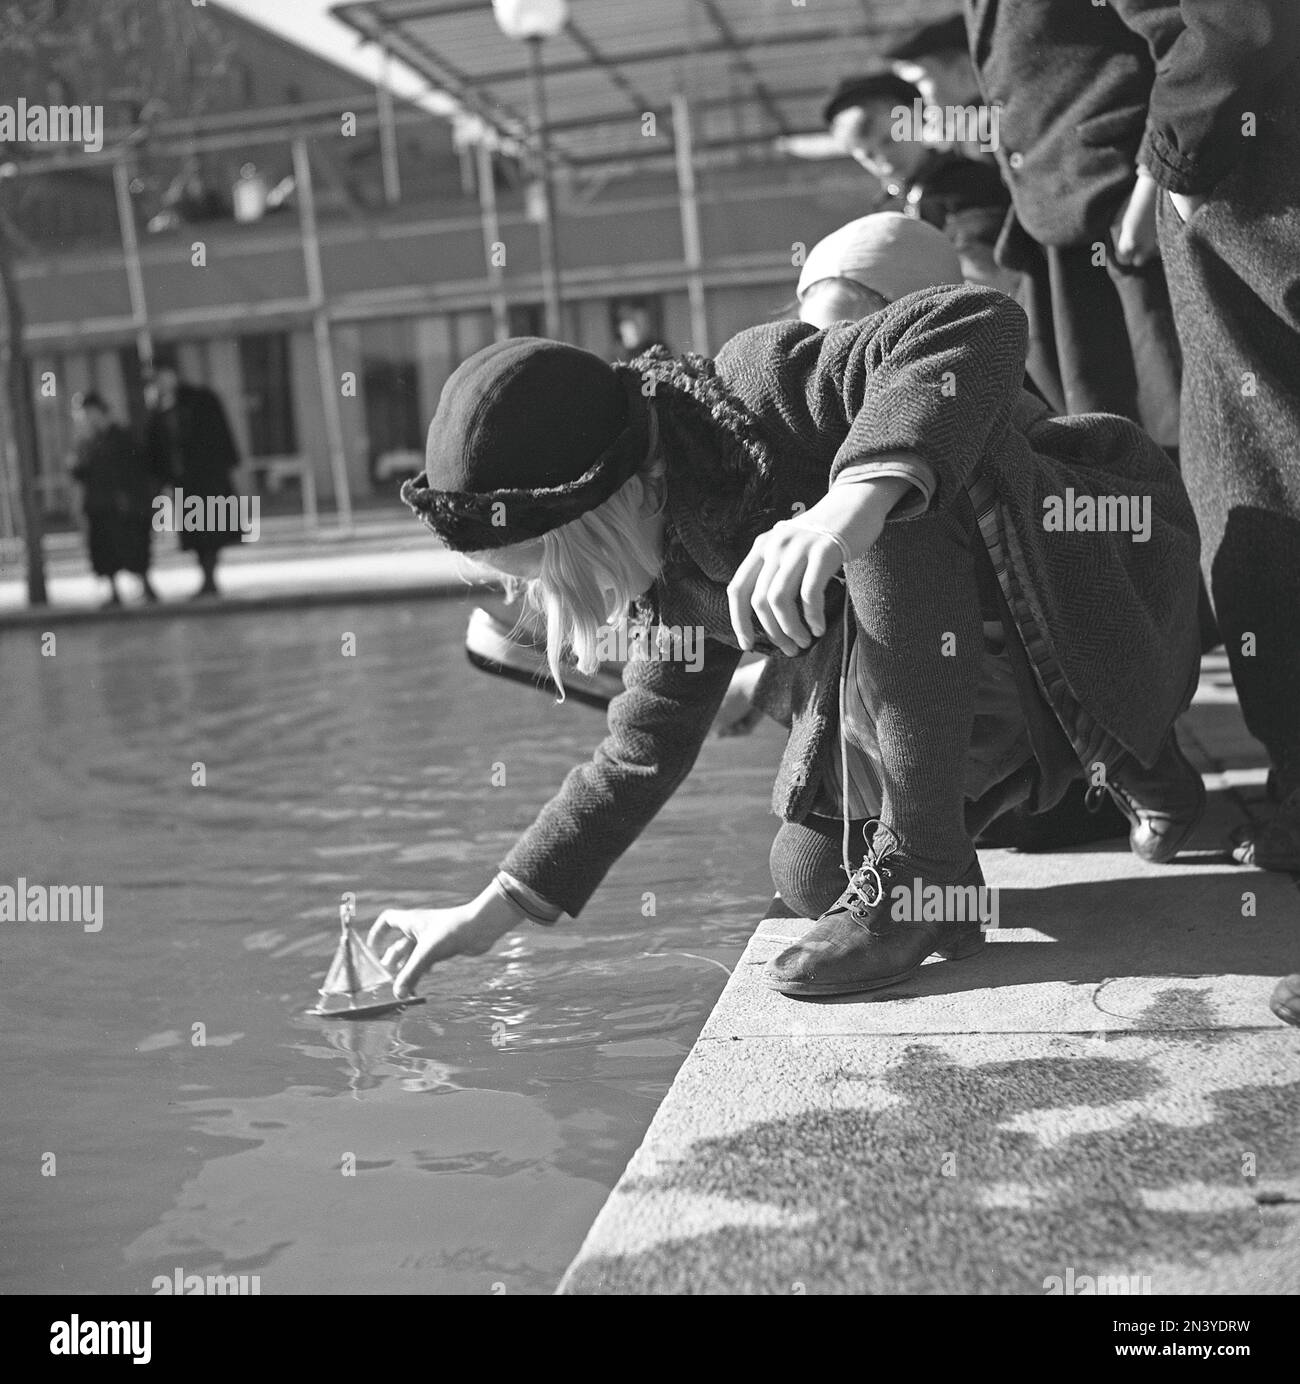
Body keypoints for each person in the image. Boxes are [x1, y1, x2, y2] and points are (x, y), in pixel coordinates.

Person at [374, 281, 1205, 1002]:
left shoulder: (758, 388)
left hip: (1099, 586)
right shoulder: (672, 578)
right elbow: (637, 754)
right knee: (808, 874)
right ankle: (955, 875)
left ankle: (935, 856)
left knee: (890, 519)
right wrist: (487, 914)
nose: (551, 601)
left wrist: (851, 503)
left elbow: (976, 318)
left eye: (547, 573)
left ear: (607, 509)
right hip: (988, 673)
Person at [1144, 1, 1300, 870]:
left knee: (1258, 466)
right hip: (1235, 136)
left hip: (1249, 149)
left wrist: (1179, 148)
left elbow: (1241, 17)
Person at [821, 71, 1011, 292]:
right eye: (868, 156)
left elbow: (983, 258)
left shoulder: (969, 179)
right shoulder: (886, 208)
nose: (885, 161)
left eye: (890, 140)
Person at [144, 361, 243, 599]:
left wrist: (223, 465)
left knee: (212, 528)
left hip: (208, 478)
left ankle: (210, 577)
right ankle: (206, 577)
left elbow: (218, 434)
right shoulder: (159, 412)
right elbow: (158, 450)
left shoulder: (200, 400)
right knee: (196, 531)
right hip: (185, 483)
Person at [68, 391, 158, 607]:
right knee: (104, 549)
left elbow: (136, 470)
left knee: (134, 544)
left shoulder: (123, 437)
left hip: (124, 503)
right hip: (99, 505)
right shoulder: (88, 442)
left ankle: (146, 585)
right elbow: (80, 473)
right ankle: (113, 590)